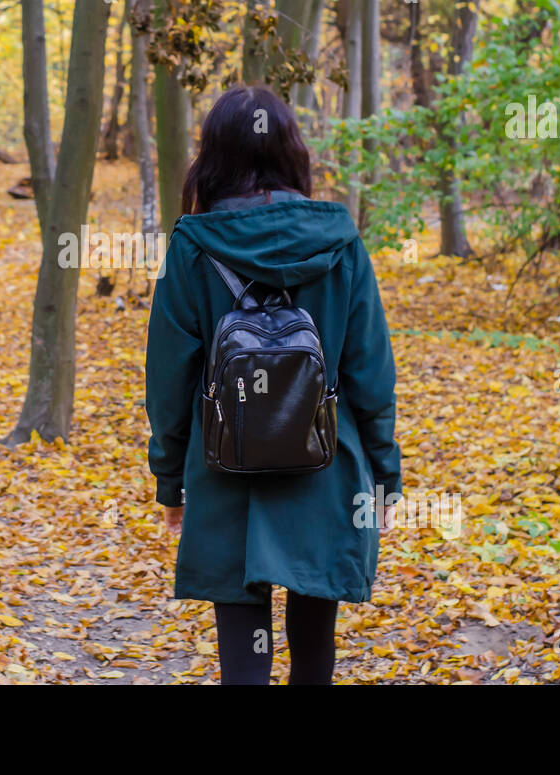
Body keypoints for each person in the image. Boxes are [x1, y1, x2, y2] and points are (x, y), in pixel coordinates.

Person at [144, 83, 402, 685]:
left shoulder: (192, 246)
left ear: (215, 156)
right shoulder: (340, 242)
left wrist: (170, 481)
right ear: (292, 150)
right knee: (314, 645)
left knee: (243, 648)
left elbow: (168, 377)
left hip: (225, 464)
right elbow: (370, 369)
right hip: (325, 461)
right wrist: (384, 476)